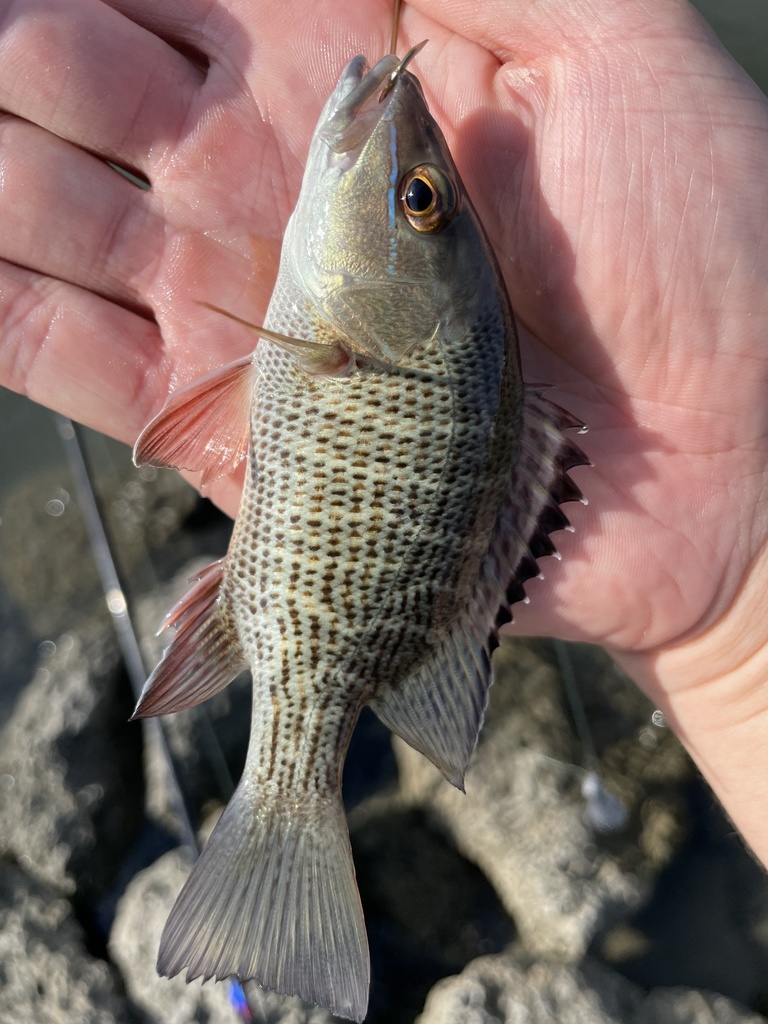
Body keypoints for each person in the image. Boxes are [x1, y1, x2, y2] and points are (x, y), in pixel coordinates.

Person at [1, 0, 767, 863]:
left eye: (418, 198)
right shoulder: (360, 331)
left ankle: (284, 814)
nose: (408, 140)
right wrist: (739, 620)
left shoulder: (356, 334)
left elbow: (209, 414)